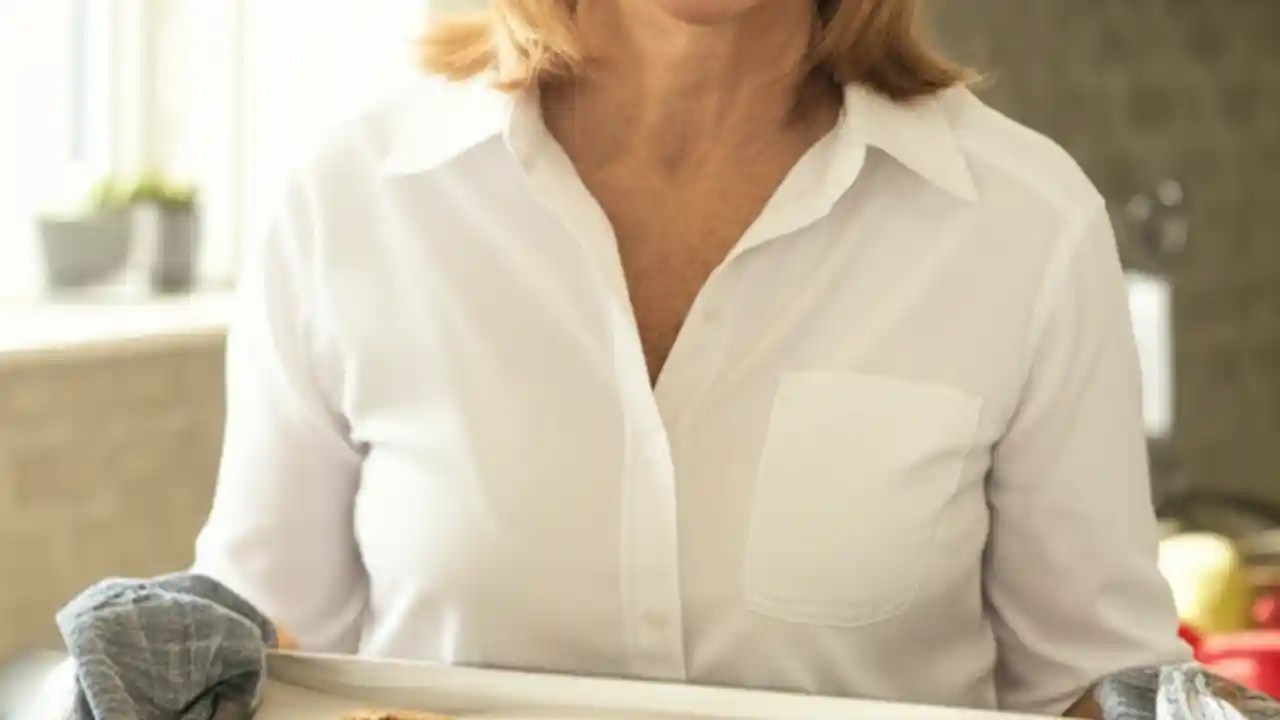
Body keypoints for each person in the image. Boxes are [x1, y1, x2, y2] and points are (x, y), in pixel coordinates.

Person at [193, 0, 1189, 716]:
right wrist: (171, 667)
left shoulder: (1024, 223)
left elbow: (1089, 687)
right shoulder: (349, 206)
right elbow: (267, 663)